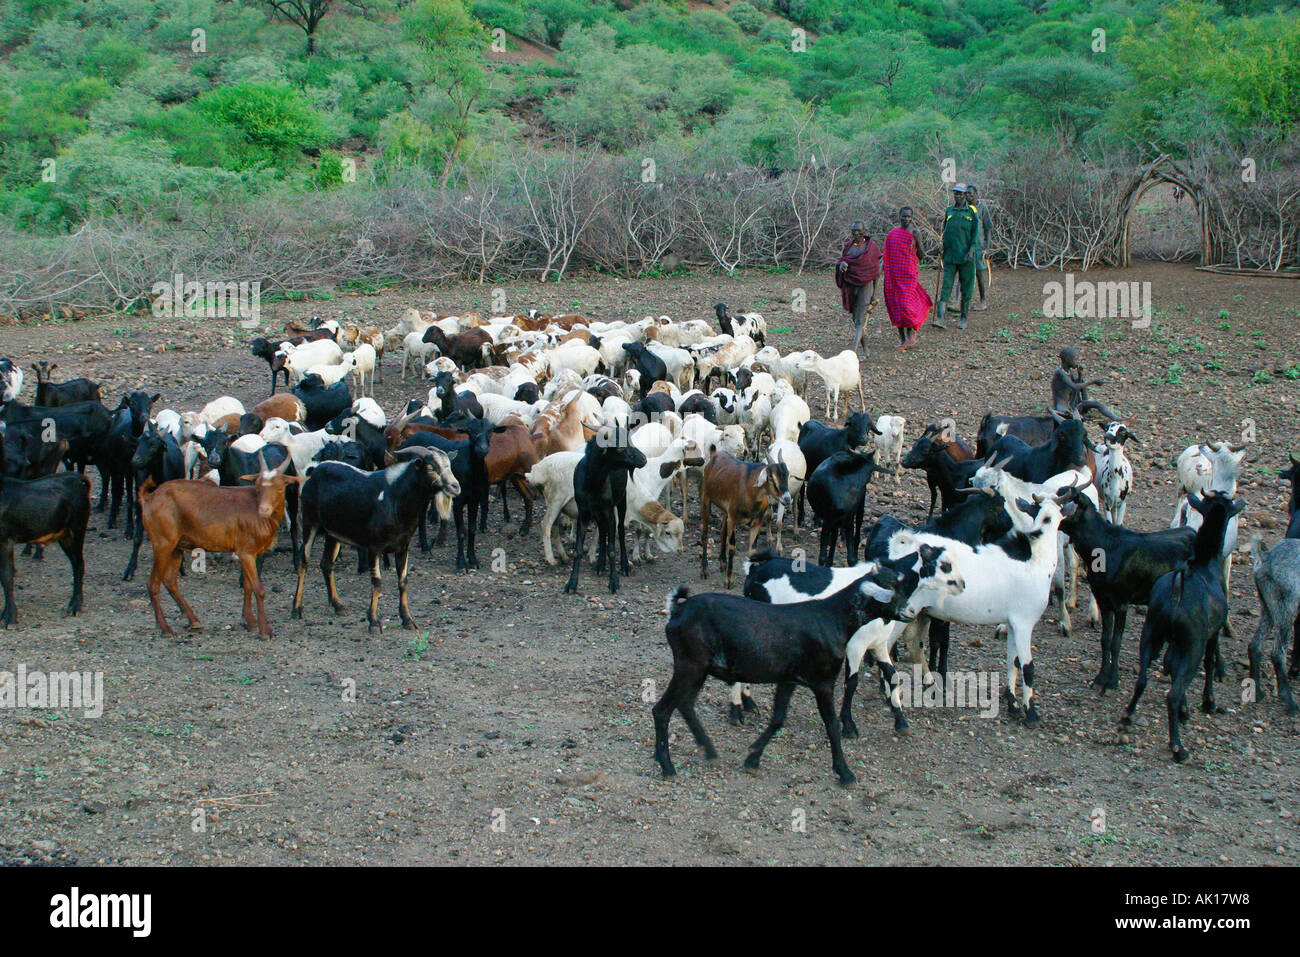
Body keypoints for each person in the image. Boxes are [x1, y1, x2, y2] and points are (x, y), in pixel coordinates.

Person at [882, 207, 932, 350]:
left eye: (909, 217)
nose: (906, 219)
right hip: (893, 276)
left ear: (912, 217)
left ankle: (910, 333)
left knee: (905, 304)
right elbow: (887, 256)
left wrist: (918, 240)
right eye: (904, 216)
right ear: (899, 217)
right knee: (895, 305)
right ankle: (903, 339)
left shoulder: (915, 233)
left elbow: (922, 256)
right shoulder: (892, 235)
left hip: (909, 275)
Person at [934, 183, 981, 331]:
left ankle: (963, 318)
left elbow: (975, 234)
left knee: (966, 288)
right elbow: (945, 231)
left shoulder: (972, 212)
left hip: (966, 257)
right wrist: (942, 245)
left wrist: (972, 250)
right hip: (950, 256)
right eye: (956, 193)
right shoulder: (949, 211)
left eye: (961, 193)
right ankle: (941, 318)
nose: (958, 196)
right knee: (946, 286)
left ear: (965, 195)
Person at [835, 221, 881, 358]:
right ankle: (866, 350)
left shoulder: (871, 247)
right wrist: (841, 265)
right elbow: (842, 261)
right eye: (853, 231)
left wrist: (874, 294)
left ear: (864, 231)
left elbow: (876, 273)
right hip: (850, 286)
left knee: (860, 321)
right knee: (856, 320)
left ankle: (852, 355)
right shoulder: (848, 247)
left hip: (866, 286)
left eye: (858, 231)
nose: (856, 233)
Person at [1052, 347, 1123, 420]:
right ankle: (1081, 417)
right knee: (1072, 418)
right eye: (1075, 359)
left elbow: (1077, 384)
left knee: (1096, 404)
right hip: (1063, 406)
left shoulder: (1068, 371)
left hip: (1072, 404)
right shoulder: (1060, 373)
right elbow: (1074, 387)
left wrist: (1080, 374)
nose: (1077, 362)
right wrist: (1092, 382)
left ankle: (1116, 418)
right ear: (1067, 359)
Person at [967, 184, 993, 311]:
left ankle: (983, 300)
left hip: (979, 247)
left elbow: (988, 228)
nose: (968, 197)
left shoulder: (982, 208)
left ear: (976, 194)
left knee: (980, 275)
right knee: (964, 275)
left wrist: (986, 248)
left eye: (971, 194)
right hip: (966, 247)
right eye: (966, 194)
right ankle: (959, 302)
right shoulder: (964, 208)